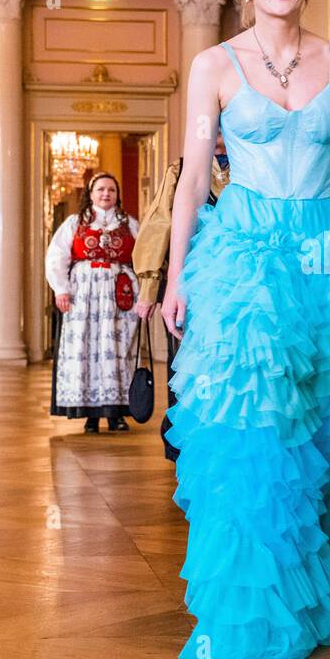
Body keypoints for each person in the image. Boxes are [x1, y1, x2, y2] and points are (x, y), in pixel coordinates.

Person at [161, 0, 330, 659]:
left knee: (327, 426)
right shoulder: (213, 66)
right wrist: (174, 277)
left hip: (325, 255)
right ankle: (256, 600)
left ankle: (320, 582)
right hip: (243, 259)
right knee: (256, 430)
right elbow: (195, 179)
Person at [132, 136, 230, 461]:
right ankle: (186, 443)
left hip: (241, 284)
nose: (218, 137)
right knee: (187, 368)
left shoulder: (254, 159)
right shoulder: (183, 168)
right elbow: (160, 223)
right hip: (189, 284)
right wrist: (148, 289)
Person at [45, 172, 141, 434]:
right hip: (83, 295)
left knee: (118, 349)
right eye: (100, 189)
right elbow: (57, 256)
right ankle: (90, 415)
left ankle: (117, 413)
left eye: (111, 189)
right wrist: (61, 289)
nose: (106, 194)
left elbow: (143, 258)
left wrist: (142, 293)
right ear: (90, 194)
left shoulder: (130, 224)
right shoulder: (75, 223)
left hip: (118, 294)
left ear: (117, 194)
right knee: (86, 348)